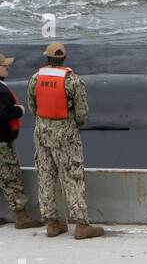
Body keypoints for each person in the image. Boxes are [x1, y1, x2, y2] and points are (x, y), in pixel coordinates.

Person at [27, 43, 105, 239]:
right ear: (64, 59)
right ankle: (81, 224)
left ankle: (52, 223)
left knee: (45, 176)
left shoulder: (36, 79)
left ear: (47, 58)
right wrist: (70, 125)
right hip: (66, 135)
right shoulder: (73, 81)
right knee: (72, 176)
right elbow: (82, 114)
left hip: (42, 133)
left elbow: (32, 107)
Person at [0, 53, 42, 229]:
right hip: (2, 142)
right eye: (4, 65)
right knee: (11, 178)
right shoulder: (1, 91)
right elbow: (3, 113)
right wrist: (19, 110)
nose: (7, 67)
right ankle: (22, 217)